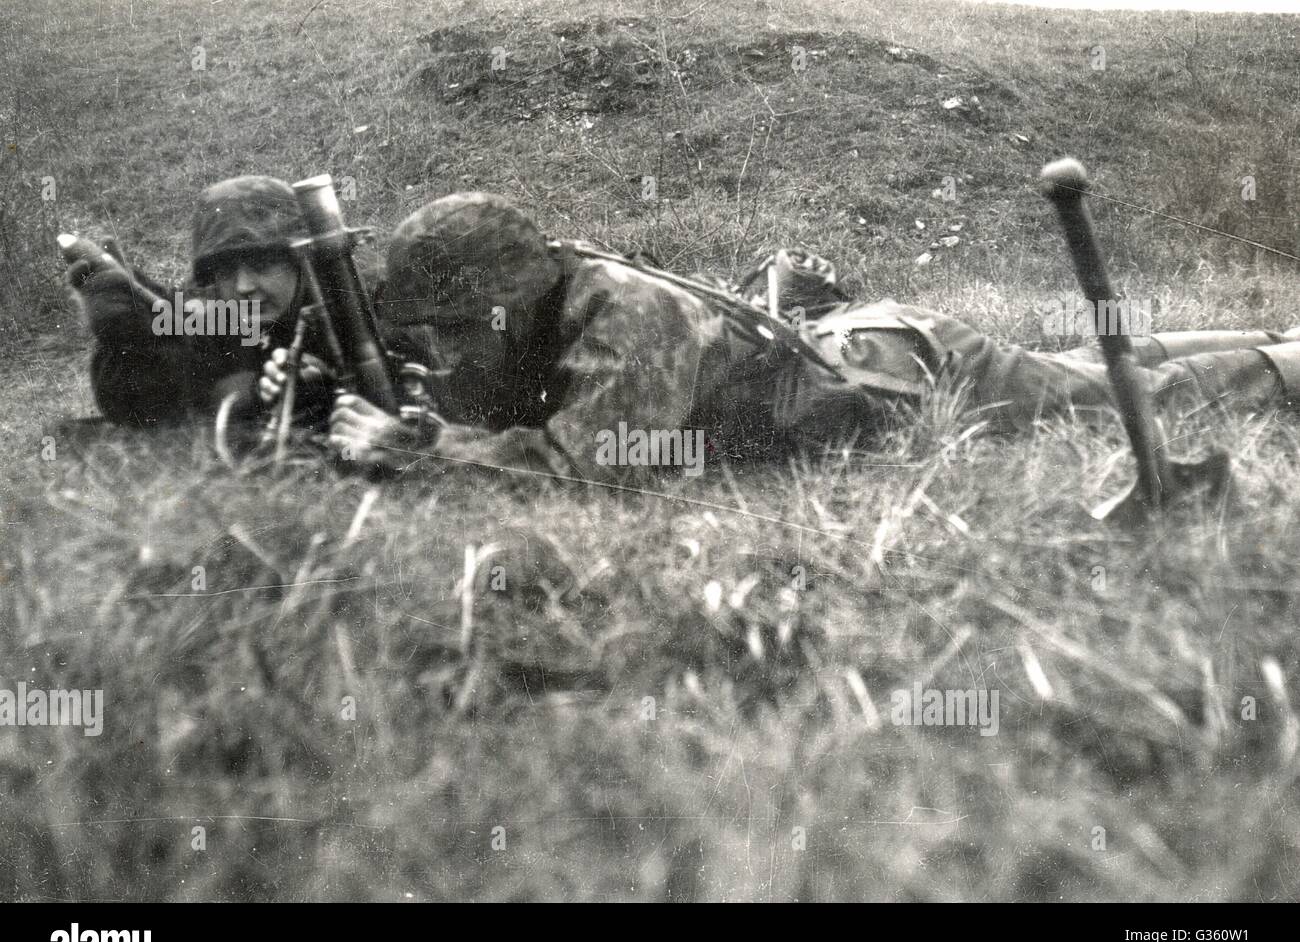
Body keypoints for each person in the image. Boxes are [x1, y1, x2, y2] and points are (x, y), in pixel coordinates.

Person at [255, 192, 1300, 484]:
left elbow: (591, 464)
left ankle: (1282, 360)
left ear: (498, 303)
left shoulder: (629, 316)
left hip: (897, 368)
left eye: (445, 335)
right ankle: (1276, 328)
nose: (441, 354)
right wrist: (400, 396)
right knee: (1071, 367)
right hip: (851, 342)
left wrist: (430, 454)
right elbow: (513, 399)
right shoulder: (551, 304)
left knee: (1100, 400)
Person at [68, 175, 333, 427]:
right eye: (227, 272)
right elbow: (140, 409)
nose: (243, 287)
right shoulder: (211, 307)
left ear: (301, 260)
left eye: (261, 265)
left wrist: (327, 389)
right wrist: (128, 340)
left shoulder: (352, 301)